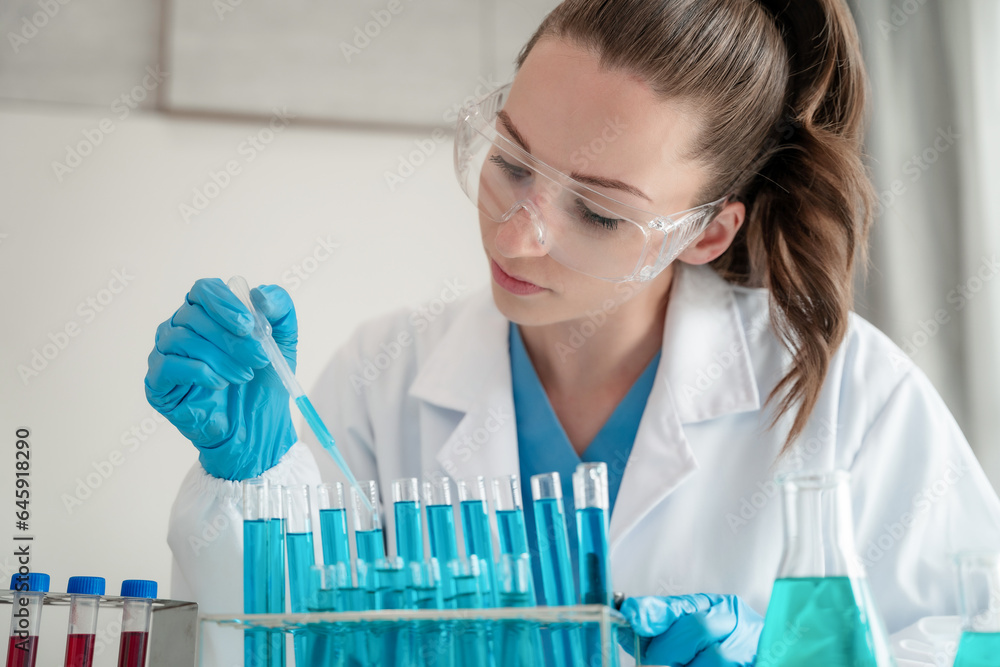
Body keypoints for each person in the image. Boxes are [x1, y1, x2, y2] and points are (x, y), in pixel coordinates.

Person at [147, 0, 1000, 665]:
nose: (516, 234)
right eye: (512, 161)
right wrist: (250, 489)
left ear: (707, 232)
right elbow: (273, 643)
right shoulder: (383, 376)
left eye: (595, 210)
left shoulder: (853, 399)